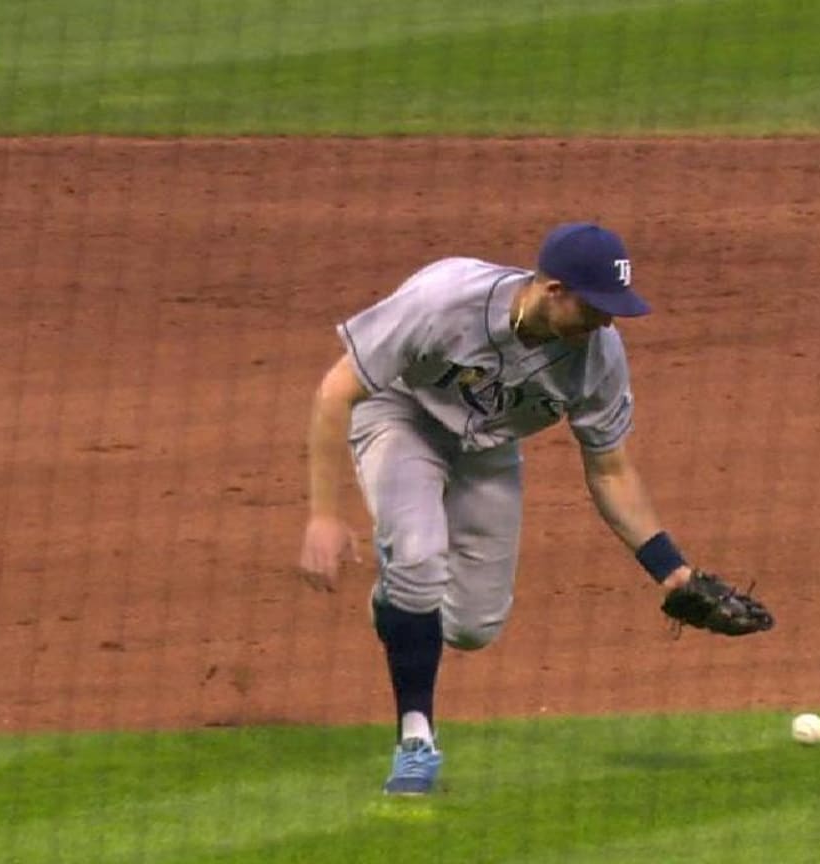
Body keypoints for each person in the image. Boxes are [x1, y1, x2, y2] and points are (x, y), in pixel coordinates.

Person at [297, 222, 773, 796]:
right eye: (595, 308)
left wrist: (672, 569)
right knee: (419, 560)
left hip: (487, 449)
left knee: (474, 625)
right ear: (553, 291)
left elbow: (611, 470)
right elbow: (335, 392)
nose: (605, 323)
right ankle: (416, 741)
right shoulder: (446, 300)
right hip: (401, 416)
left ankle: (397, 602)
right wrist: (324, 515)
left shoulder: (598, 356)